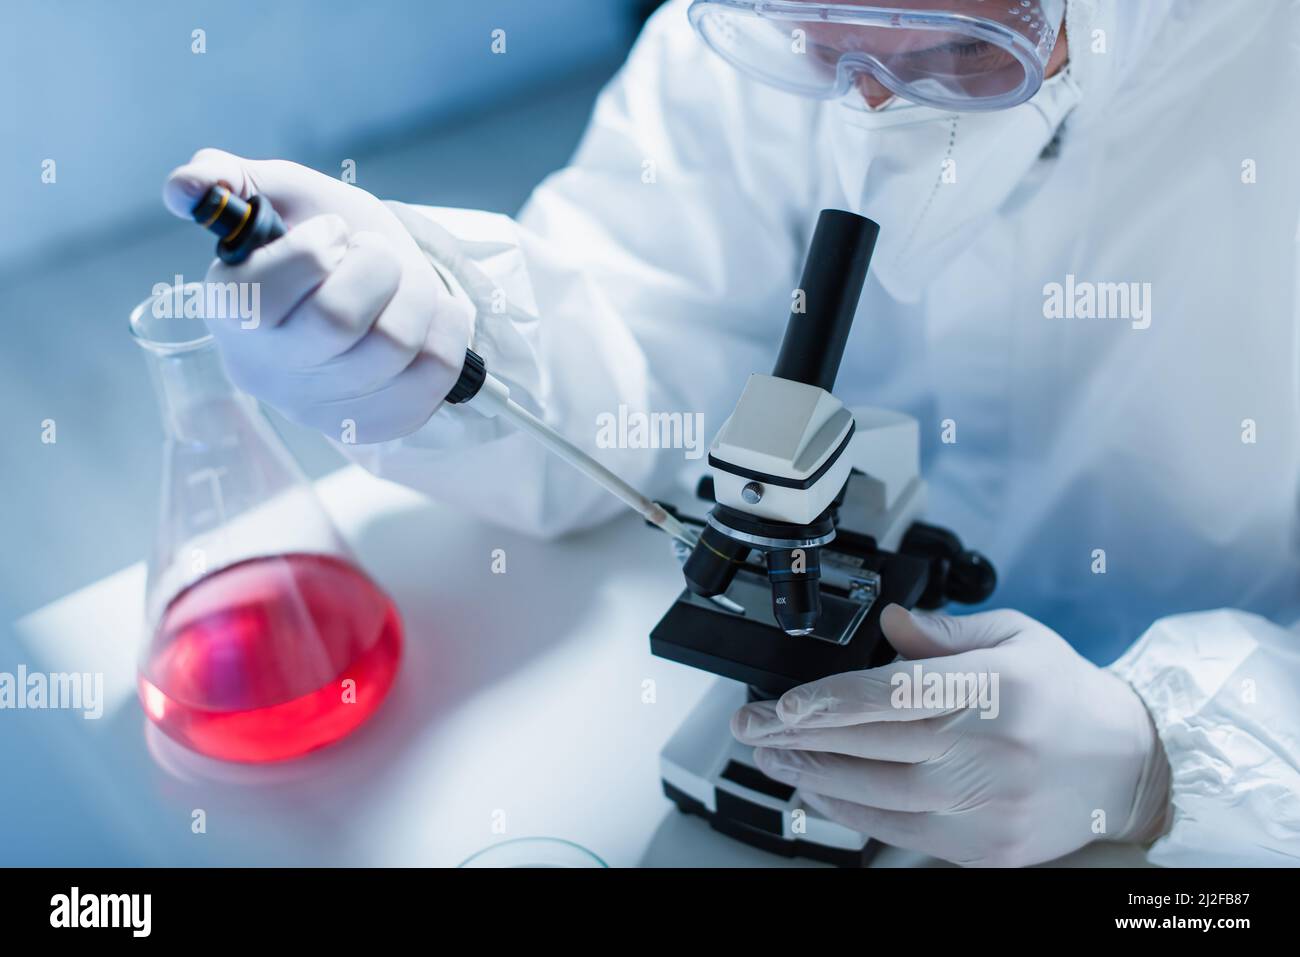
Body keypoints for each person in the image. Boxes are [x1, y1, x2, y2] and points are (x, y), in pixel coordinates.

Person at [162, 0, 1300, 866]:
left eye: (955, 50)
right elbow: (635, 359)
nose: (866, 106)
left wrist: (1166, 759)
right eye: (814, 40)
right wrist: (437, 344)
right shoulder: (731, 44)